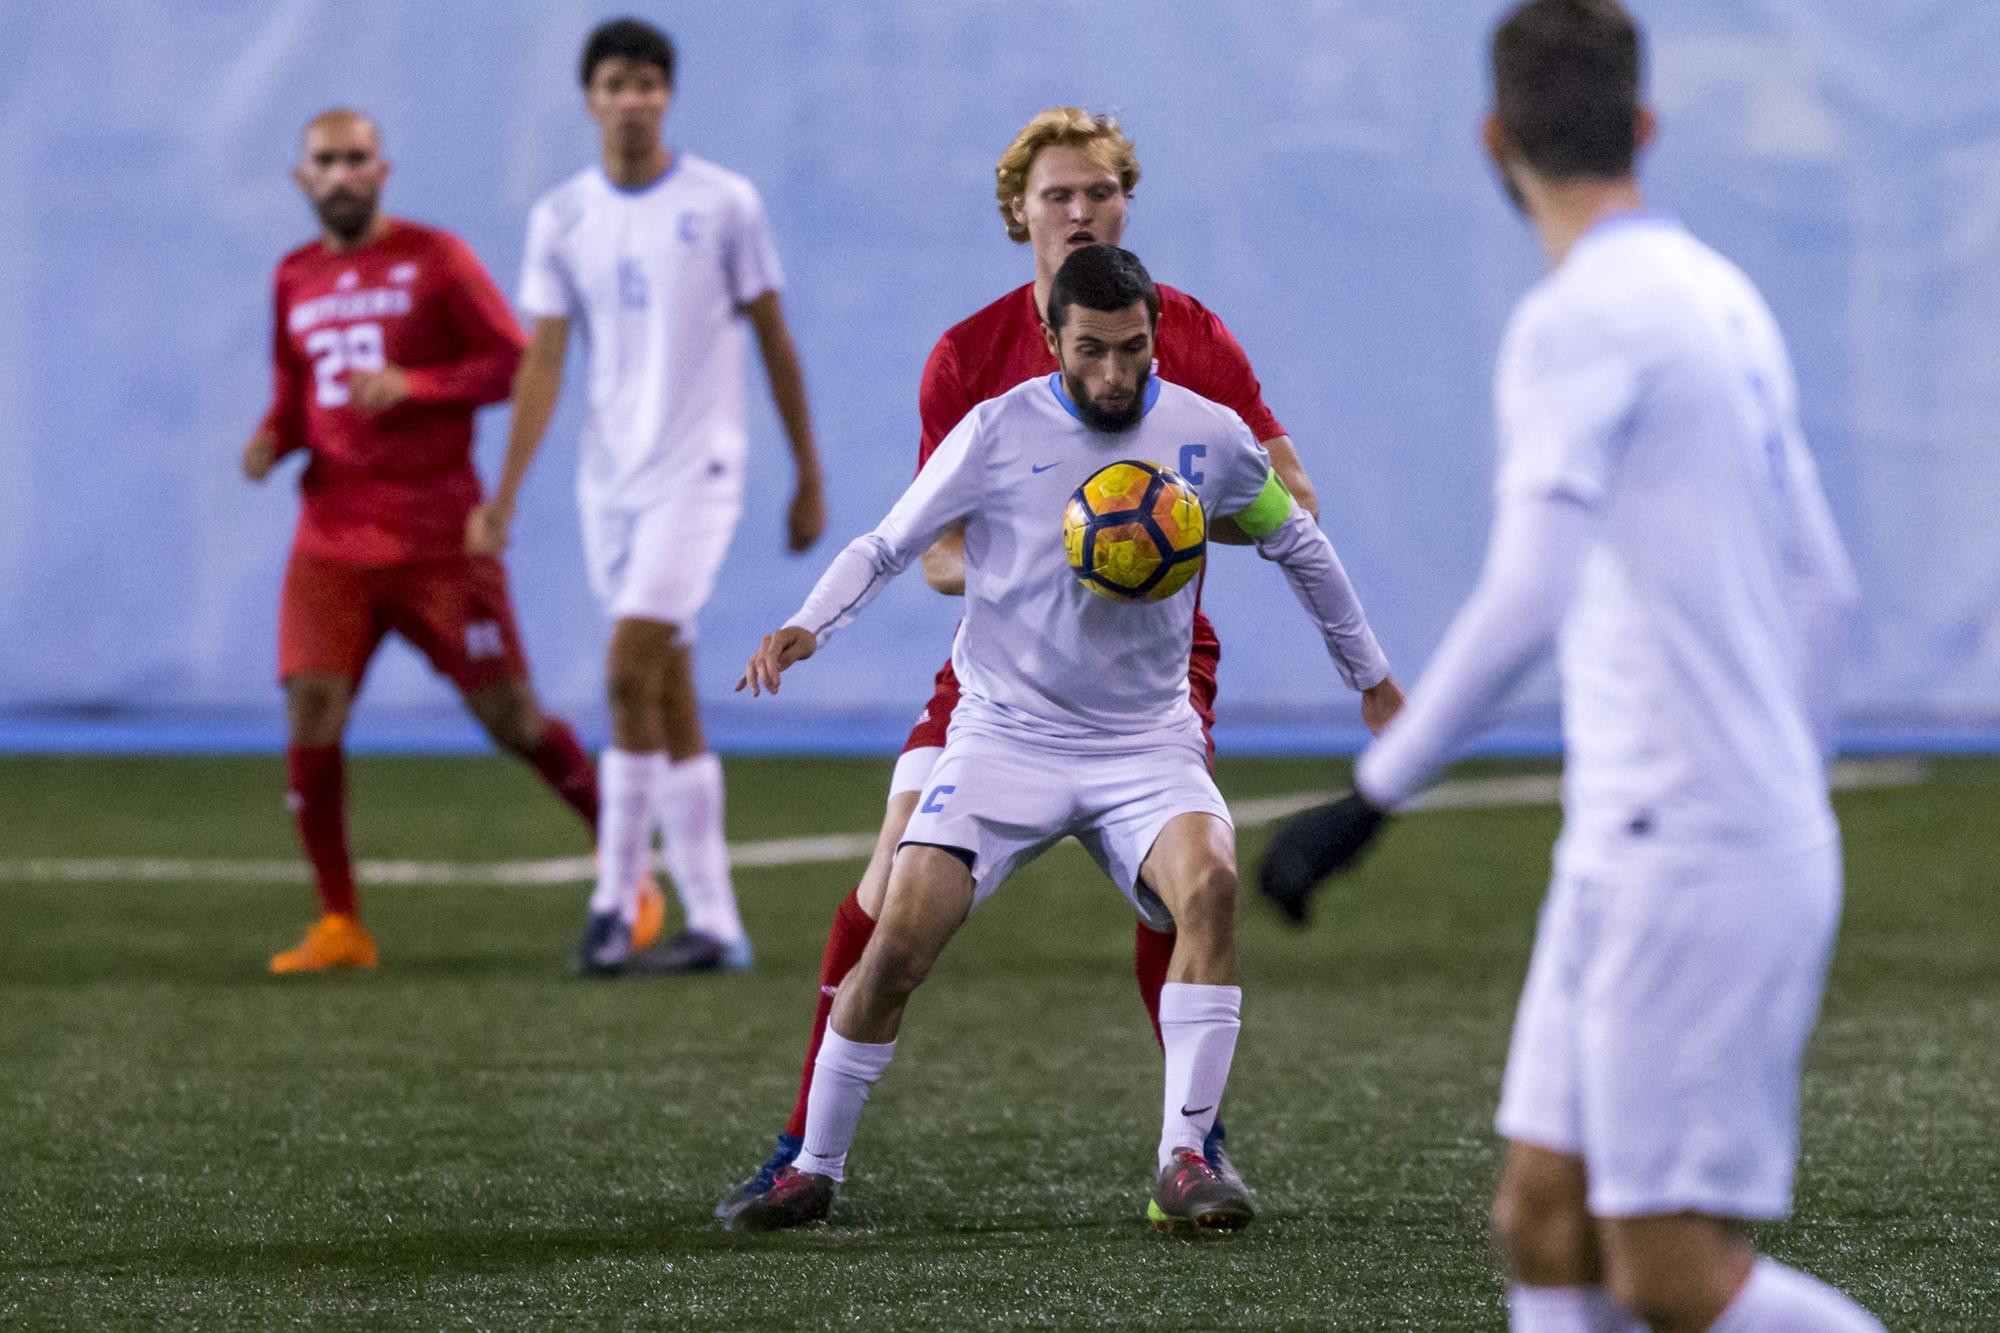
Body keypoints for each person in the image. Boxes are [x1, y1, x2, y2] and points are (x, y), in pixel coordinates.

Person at [1257, 3, 1880, 1329]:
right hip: (1649, 840)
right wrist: (1786, 790)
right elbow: (1823, 586)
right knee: (1542, 1216)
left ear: (1493, 140)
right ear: (1643, 125)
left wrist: (1371, 794)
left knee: (1665, 1271)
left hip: (1684, 849)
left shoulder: (1574, 319)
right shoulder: (1721, 295)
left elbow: (1530, 592)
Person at [715, 106, 1404, 1222]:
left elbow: (1295, 523)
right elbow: (905, 545)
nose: (1079, 212)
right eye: (1057, 196)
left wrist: (1363, 671)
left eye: (1099, 193)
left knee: (1203, 889)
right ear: (1045, 316)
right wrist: (819, 621)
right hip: (1002, 715)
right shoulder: (984, 397)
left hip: (1146, 716)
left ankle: (1190, 1153)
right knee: (896, 914)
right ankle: (810, 1157)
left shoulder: (1201, 392)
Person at [467, 18, 827, 976]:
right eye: (616, 83)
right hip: (610, 485)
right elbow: (545, 359)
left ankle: (613, 904)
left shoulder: (724, 203)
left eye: (648, 83)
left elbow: (774, 338)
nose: (632, 99)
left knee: (626, 672)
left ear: (668, 96)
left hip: (700, 475)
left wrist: (808, 472)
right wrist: (505, 494)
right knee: (664, 689)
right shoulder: (563, 216)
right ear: (589, 98)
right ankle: (716, 923)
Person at [246, 109, 641, 973]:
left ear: (382, 169)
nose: (342, 173)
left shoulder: (437, 258)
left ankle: (628, 871)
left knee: (512, 719)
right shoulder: (293, 275)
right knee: (311, 709)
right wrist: (274, 437)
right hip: (330, 539)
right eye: (326, 160)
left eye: (357, 158)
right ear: (303, 176)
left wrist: (415, 385)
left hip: (438, 539)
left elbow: (513, 362)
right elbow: (296, 392)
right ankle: (340, 923)